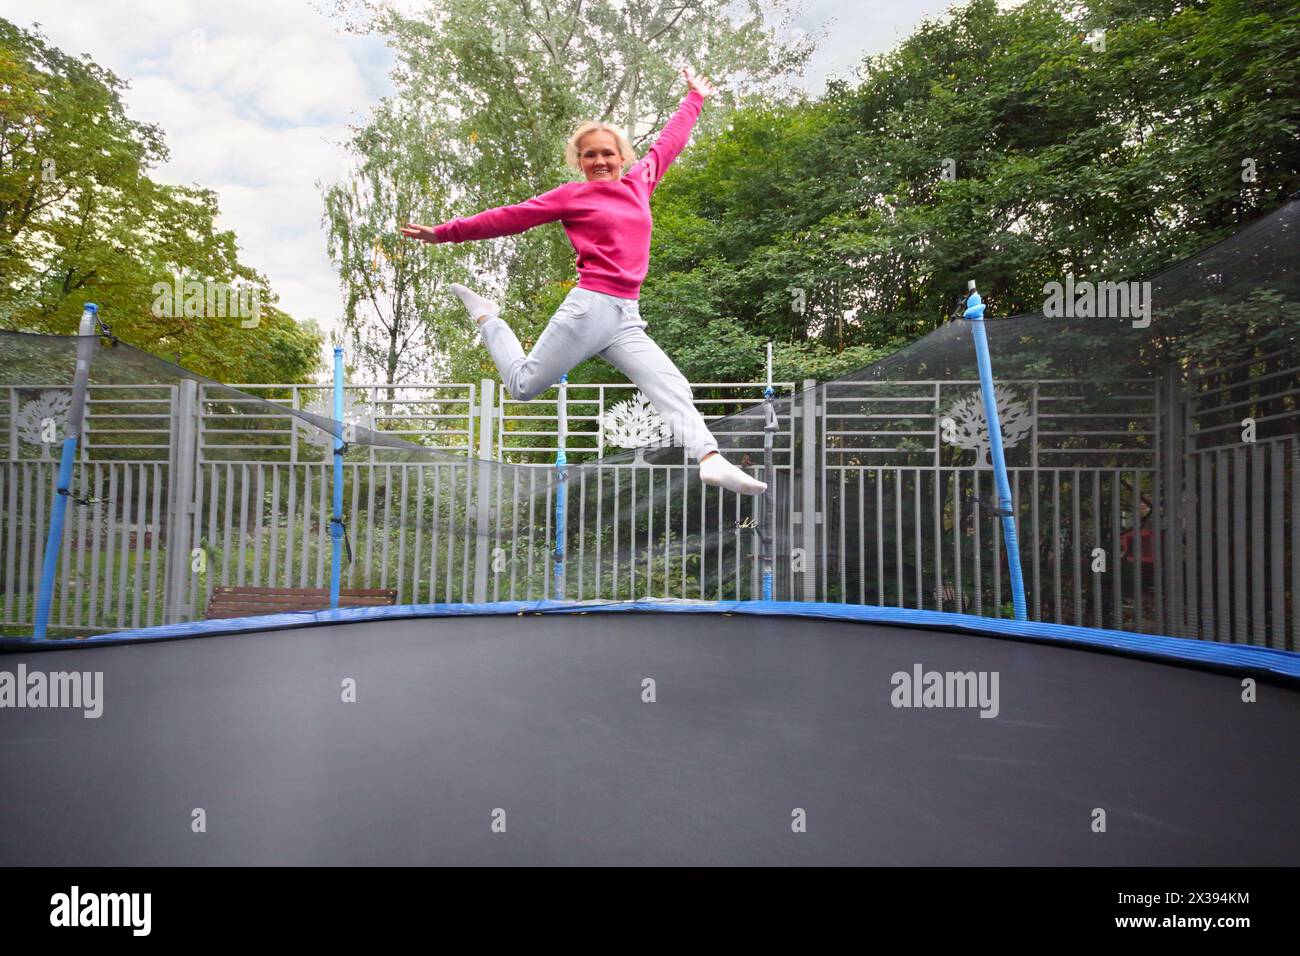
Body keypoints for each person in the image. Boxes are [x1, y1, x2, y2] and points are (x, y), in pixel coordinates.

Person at [401, 67, 765, 495]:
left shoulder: (640, 183)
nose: (599, 161)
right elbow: (509, 218)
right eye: (589, 155)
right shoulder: (571, 196)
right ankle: (488, 317)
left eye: (607, 153)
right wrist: (445, 232)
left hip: (626, 315)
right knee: (522, 387)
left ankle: (709, 458)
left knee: (670, 384)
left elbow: (671, 141)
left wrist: (695, 98)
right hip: (590, 307)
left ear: (622, 157)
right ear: (580, 162)